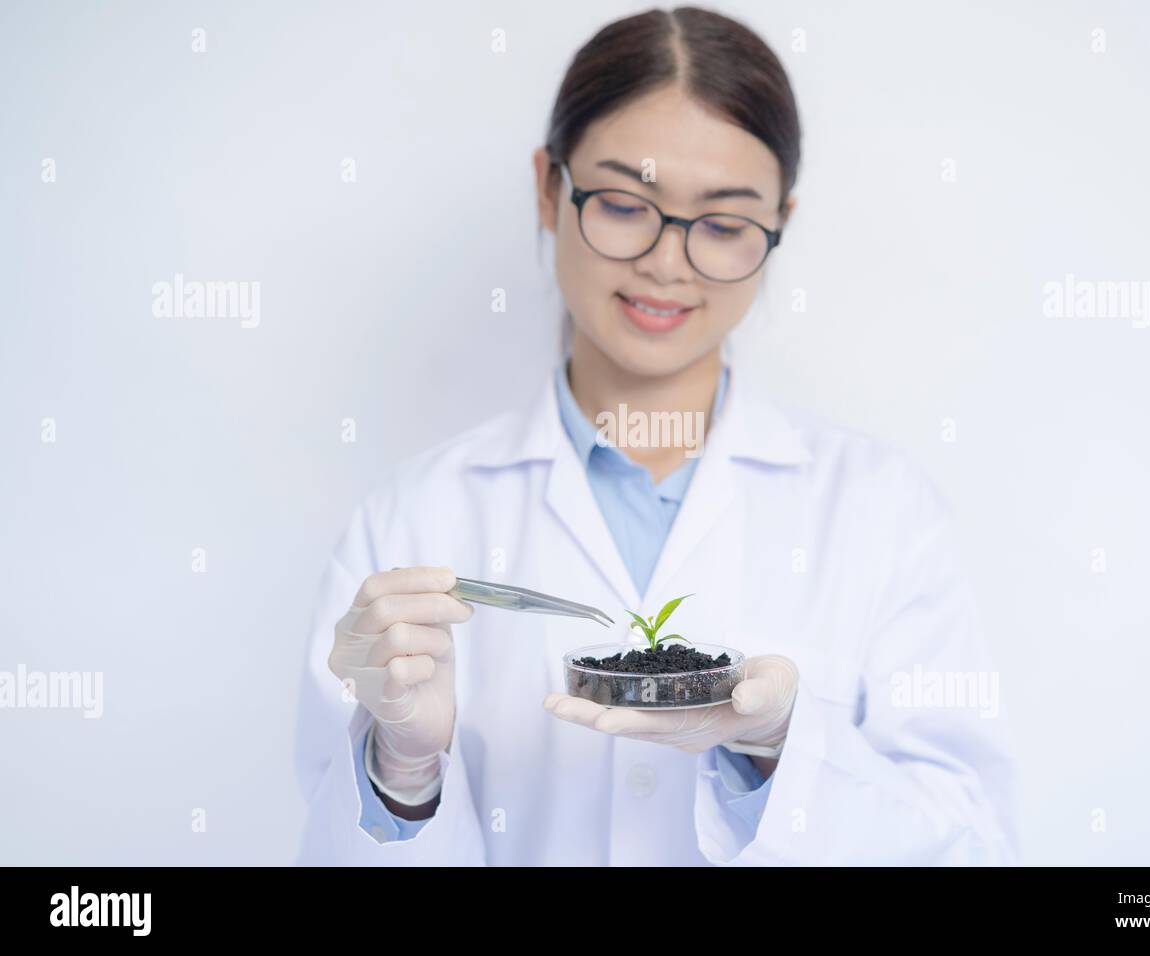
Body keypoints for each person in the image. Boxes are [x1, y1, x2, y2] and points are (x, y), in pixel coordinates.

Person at [293, 6, 1018, 866]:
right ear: (547, 187)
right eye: (626, 204)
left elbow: (971, 846)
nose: (668, 263)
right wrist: (400, 773)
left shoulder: (880, 510)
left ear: (778, 222)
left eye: (723, 224)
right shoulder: (414, 519)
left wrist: (780, 746)